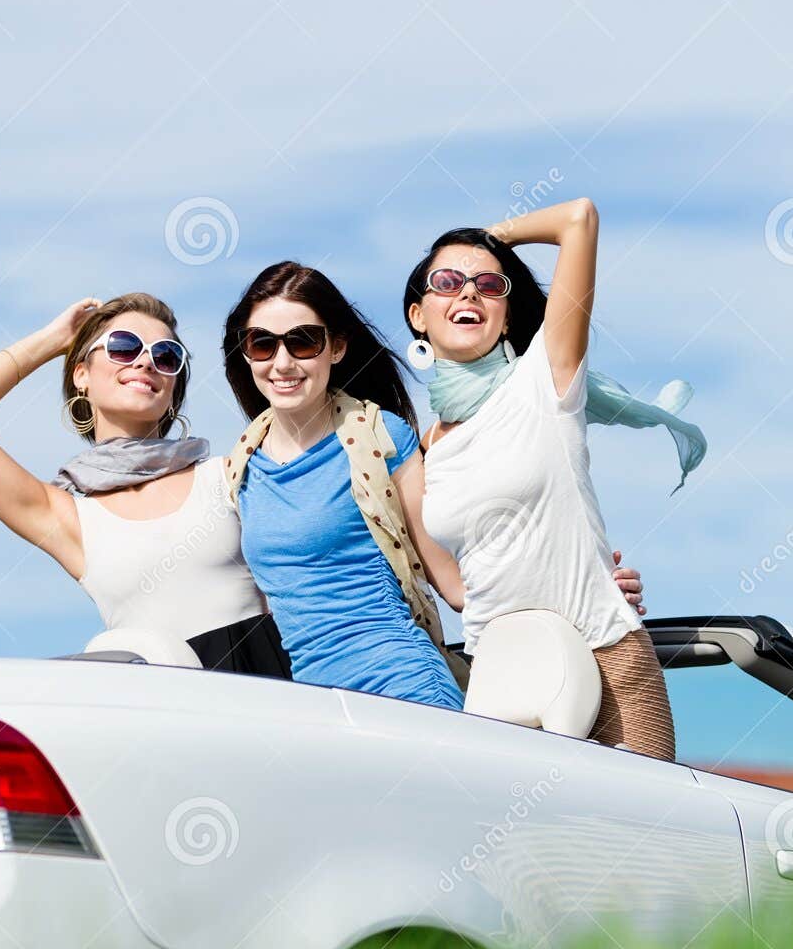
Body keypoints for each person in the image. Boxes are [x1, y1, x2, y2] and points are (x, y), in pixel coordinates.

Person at [222, 261, 646, 713]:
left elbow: (457, 585)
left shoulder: (381, 438)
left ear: (337, 347)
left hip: (405, 691)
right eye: (262, 343)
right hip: (311, 706)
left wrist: (583, 584)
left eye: (304, 341)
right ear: (246, 353)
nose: (283, 362)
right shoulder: (239, 468)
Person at [405, 204, 689, 758]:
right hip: (501, 681)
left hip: (606, 658)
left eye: (488, 283)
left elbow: (578, 219)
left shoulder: (546, 377)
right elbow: (462, 591)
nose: (468, 293)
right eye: (447, 282)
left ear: (508, 317)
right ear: (419, 314)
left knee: (635, 843)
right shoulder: (424, 450)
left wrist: (489, 237)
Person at [0, 293, 290, 677]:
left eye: (166, 356)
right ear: (81, 374)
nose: (146, 360)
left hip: (264, 702)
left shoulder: (229, 474)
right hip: (161, 717)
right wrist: (52, 341)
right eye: (123, 347)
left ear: (172, 392)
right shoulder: (67, 519)